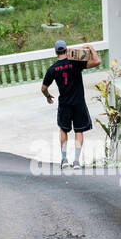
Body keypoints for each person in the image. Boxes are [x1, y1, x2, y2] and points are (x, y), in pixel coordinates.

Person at [41, 40, 100, 168]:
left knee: (63, 129)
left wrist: (48, 96)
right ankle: (77, 161)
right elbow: (97, 62)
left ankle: (64, 160)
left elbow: (43, 88)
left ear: (56, 52)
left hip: (64, 104)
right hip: (78, 103)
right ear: (66, 50)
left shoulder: (52, 69)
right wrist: (91, 48)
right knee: (79, 130)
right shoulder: (76, 63)